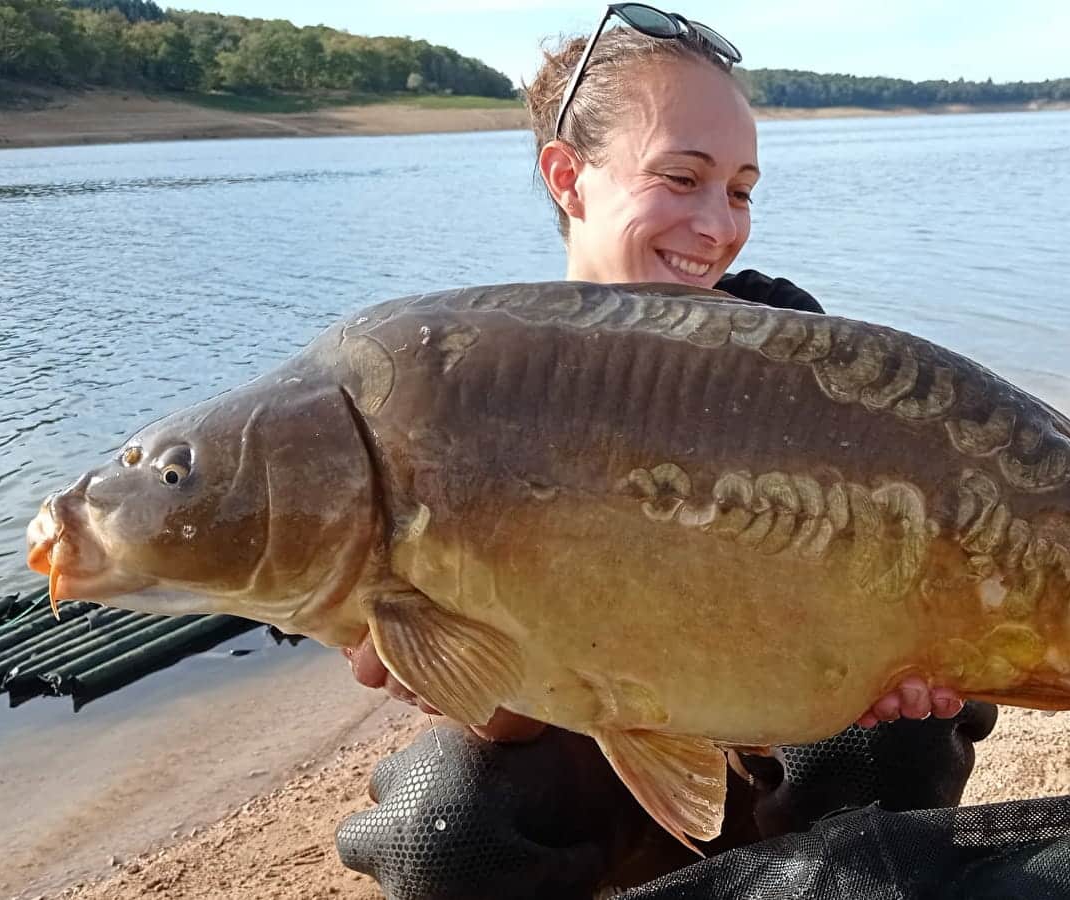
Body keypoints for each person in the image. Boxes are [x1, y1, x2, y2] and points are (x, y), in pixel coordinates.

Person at [334, 5, 991, 897]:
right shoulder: (468, 392)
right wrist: (447, 663)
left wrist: (904, 660)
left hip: (782, 705)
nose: (718, 224)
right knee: (441, 821)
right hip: (596, 725)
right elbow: (507, 722)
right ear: (568, 177)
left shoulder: (791, 349)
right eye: (682, 178)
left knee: (891, 736)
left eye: (741, 189)